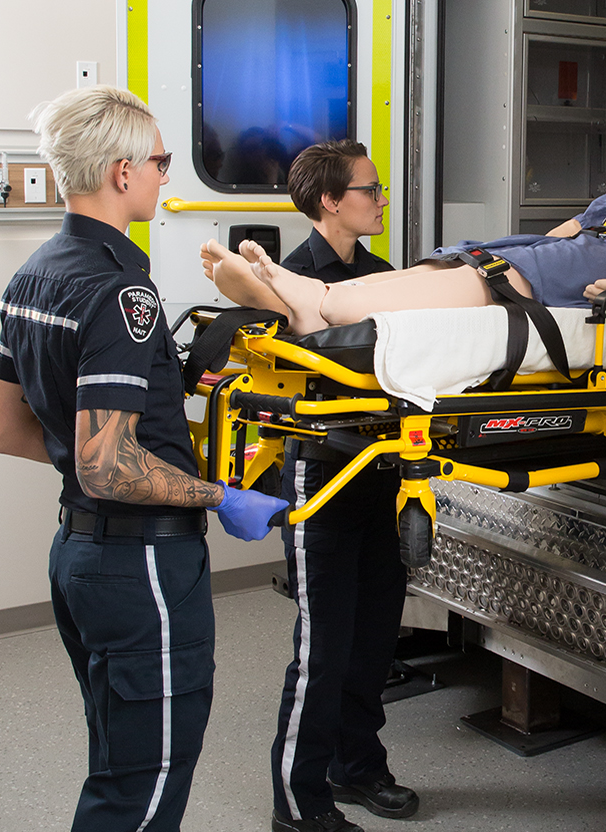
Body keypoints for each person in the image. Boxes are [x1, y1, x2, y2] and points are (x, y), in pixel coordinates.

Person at [0, 85, 288, 832]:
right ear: (122, 173)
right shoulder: (123, 293)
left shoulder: (33, 277)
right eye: (161, 162)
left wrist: (155, 398)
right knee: (143, 788)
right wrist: (219, 497)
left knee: (118, 756)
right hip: (141, 569)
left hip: (78, 556)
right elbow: (108, 465)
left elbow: (10, 430)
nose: (165, 177)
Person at [205, 139, 419, 832]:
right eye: (371, 188)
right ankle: (298, 802)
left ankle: (358, 768)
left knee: (374, 641)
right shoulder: (288, 284)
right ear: (332, 201)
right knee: (322, 650)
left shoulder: (382, 278)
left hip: (381, 477)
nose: (381, 199)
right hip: (319, 480)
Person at [204, 99, 606, 337]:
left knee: (491, 279)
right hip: (597, 239)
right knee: (472, 256)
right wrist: (537, 246)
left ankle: (315, 303)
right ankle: (306, 293)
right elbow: (584, 219)